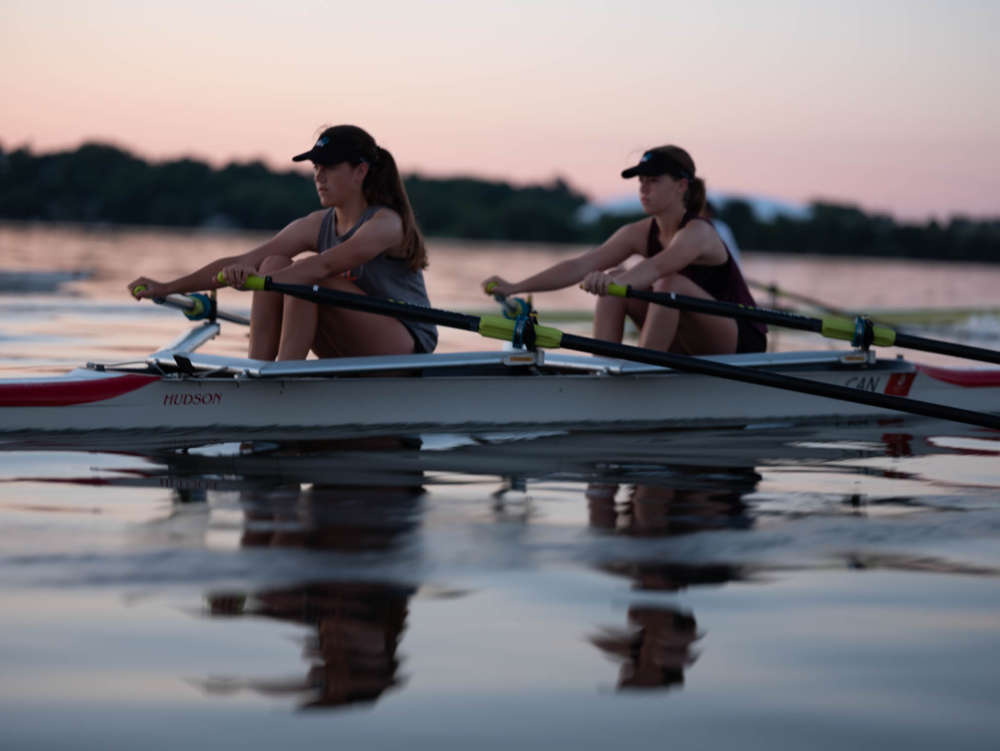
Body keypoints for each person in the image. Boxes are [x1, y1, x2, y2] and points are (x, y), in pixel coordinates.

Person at [128, 125, 437, 360]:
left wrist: (261, 282)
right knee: (273, 262)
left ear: (360, 172)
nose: (319, 177)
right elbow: (247, 259)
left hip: (404, 347)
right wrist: (167, 287)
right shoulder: (316, 223)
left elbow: (324, 264)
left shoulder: (386, 224)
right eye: (317, 168)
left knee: (309, 275)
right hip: (353, 342)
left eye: (329, 167)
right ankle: (259, 370)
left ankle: (284, 377)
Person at [482, 146, 765, 355]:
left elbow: (656, 268)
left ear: (682, 186)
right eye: (641, 181)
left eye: (654, 180)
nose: (644, 188)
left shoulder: (699, 232)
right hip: (690, 340)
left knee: (669, 284)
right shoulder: (638, 232)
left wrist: (613, 283)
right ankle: (602, 371)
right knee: (615, 273)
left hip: (741, 346)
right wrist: (515, 286)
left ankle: (640, 374)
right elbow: (580, 266)